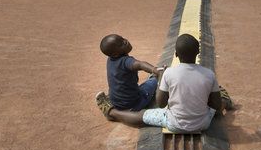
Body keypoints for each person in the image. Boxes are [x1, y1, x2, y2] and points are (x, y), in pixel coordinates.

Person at [96, 33, 231, 133]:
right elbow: (216, 105)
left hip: (173, 124)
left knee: (141, 116)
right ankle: (226, 100)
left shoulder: (169, 73)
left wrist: (162, 79)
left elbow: (161, 104)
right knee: (216, 103)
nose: (125, 41)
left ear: (176, 54)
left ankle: (113, 113)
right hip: (203, 124)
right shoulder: (209, 74)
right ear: (198, 52)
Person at [94, 34, 165, 118]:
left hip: (115, 101)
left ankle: (111, 104)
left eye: (123, 38)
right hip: (133, 103)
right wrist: (155, 70)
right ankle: (154, 79)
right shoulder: (126, 61)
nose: (125, 41)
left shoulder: (110, 59)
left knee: (128, 87)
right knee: (154, 81)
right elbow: (139, 64)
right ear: (115, 54)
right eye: (121, 44)